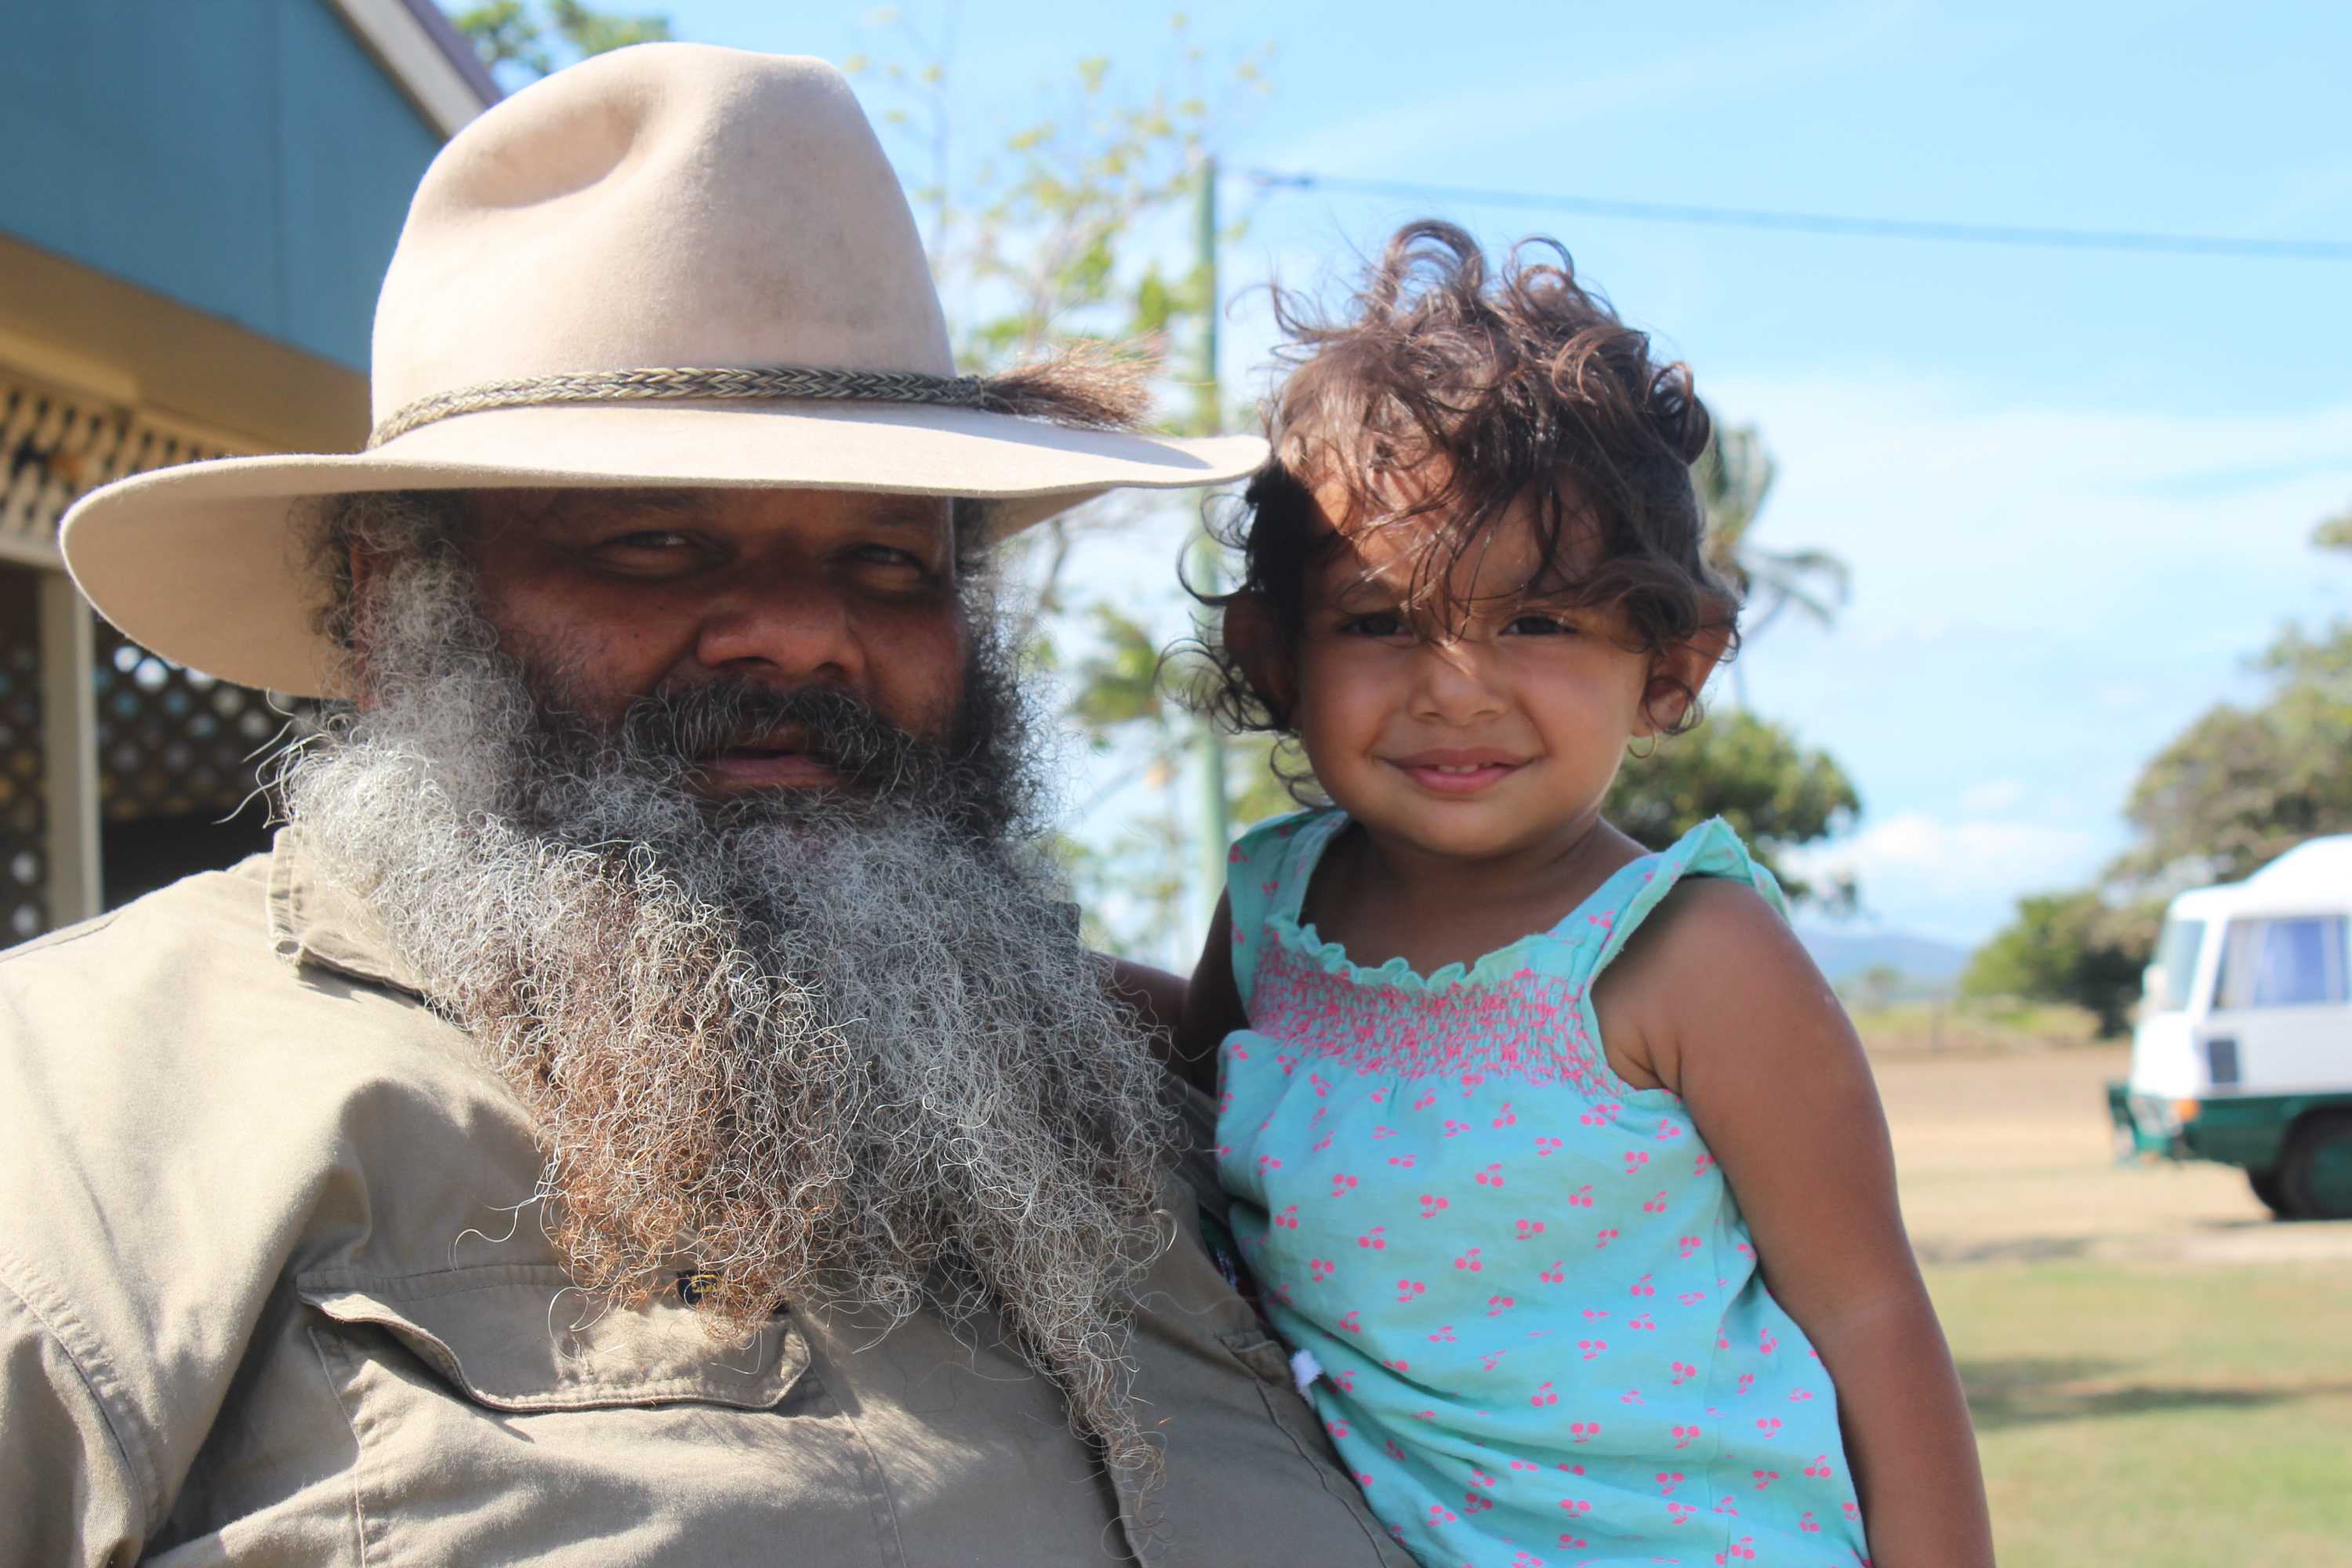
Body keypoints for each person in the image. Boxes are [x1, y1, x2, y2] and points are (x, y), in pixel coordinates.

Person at [0, 45, 1420, 1566]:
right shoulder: (82, 1116)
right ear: (389, 600)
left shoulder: (1178, 1112)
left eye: (889, 562)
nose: (805, 636)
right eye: (658, 542)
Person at [1169, 223, 1996, 1568]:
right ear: (1274, 653)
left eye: (1538, 622)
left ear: (1668, 666)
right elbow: (1180, 1102)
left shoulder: (1691, 955)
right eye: (1380, 621)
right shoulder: (1272, 906)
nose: (1455, 686)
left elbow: (1869, 1317)